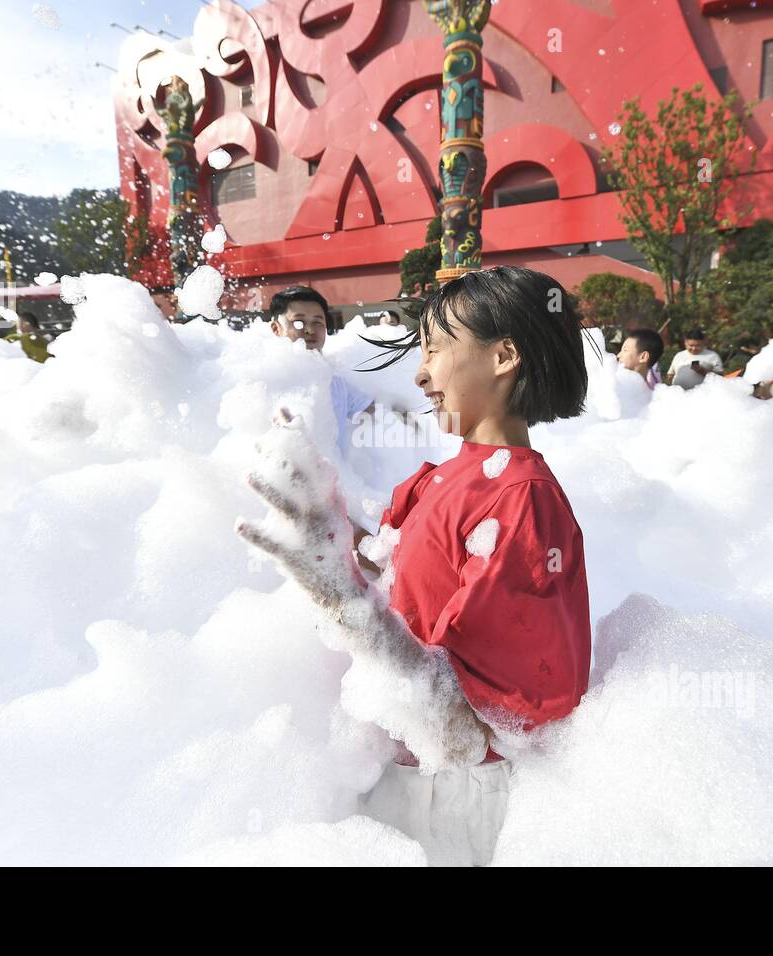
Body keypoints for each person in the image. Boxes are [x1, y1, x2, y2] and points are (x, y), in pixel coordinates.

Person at [238, 266, 593, 865]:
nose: (421, 372)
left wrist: (343, 602)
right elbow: (410, 597)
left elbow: (487, 729)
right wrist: (331, 528)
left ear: (504, 356)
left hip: (454, 806)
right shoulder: (457, 476)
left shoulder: (519, 502)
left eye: (436, 347)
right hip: (399, 770)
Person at [268, 285, 374, 457]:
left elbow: (376, 410)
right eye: (298, 322)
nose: (309, 330)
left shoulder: (335, 381)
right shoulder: (265, 378)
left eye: (317, 322)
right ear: (276, 329)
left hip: (332, 476)